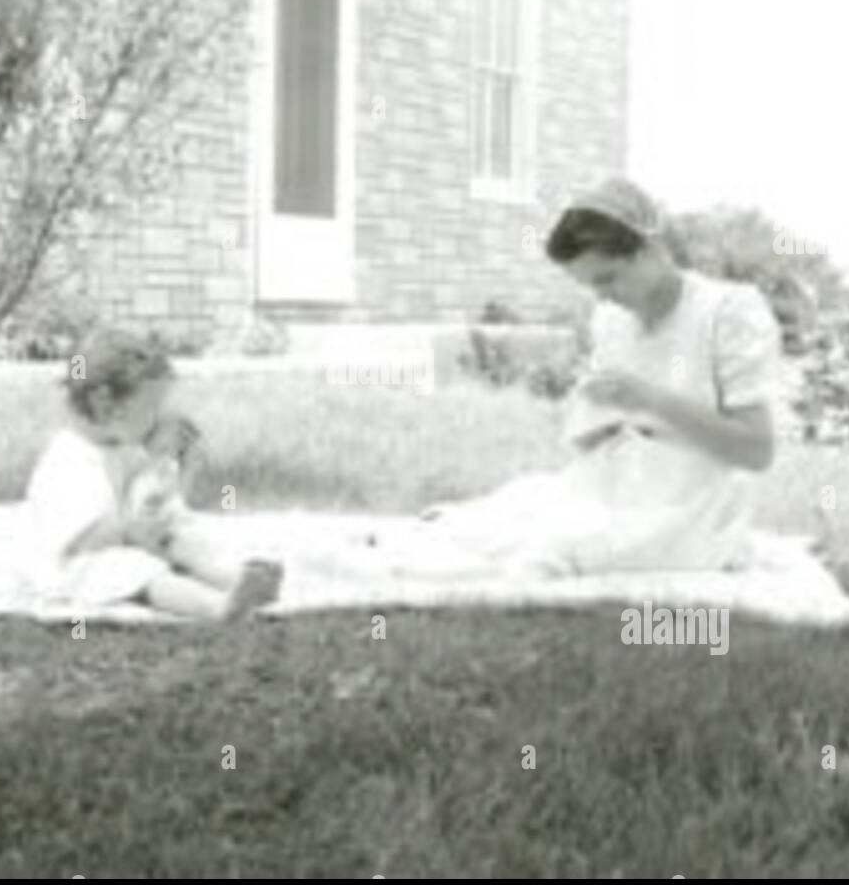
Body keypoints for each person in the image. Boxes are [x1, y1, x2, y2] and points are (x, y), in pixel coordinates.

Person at [303, 176, 783, 587]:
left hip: (692, 499)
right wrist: (593, 416)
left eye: (609, 278)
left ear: (650, 250)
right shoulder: (612, 320)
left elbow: (757, 450)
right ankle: (375, 557)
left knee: (556, 546)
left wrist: (650, 400)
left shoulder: (728, 312)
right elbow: (595, 436)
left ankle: (403, 576)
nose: (602, 296)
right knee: (506, 516)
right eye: (591, 285)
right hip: (619, 479)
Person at [26, 330, 282, 617]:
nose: (159, 417)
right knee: (131, 568)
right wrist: (132, 530)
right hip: (78, 565)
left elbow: (155, 497)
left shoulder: (125, 448)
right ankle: (216, 606)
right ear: (105, 403)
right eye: (151, 408)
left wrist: (177, 469)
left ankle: (233, 580)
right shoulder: (67, 463)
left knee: (182, 542)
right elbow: (79, 541)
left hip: (130, 540)